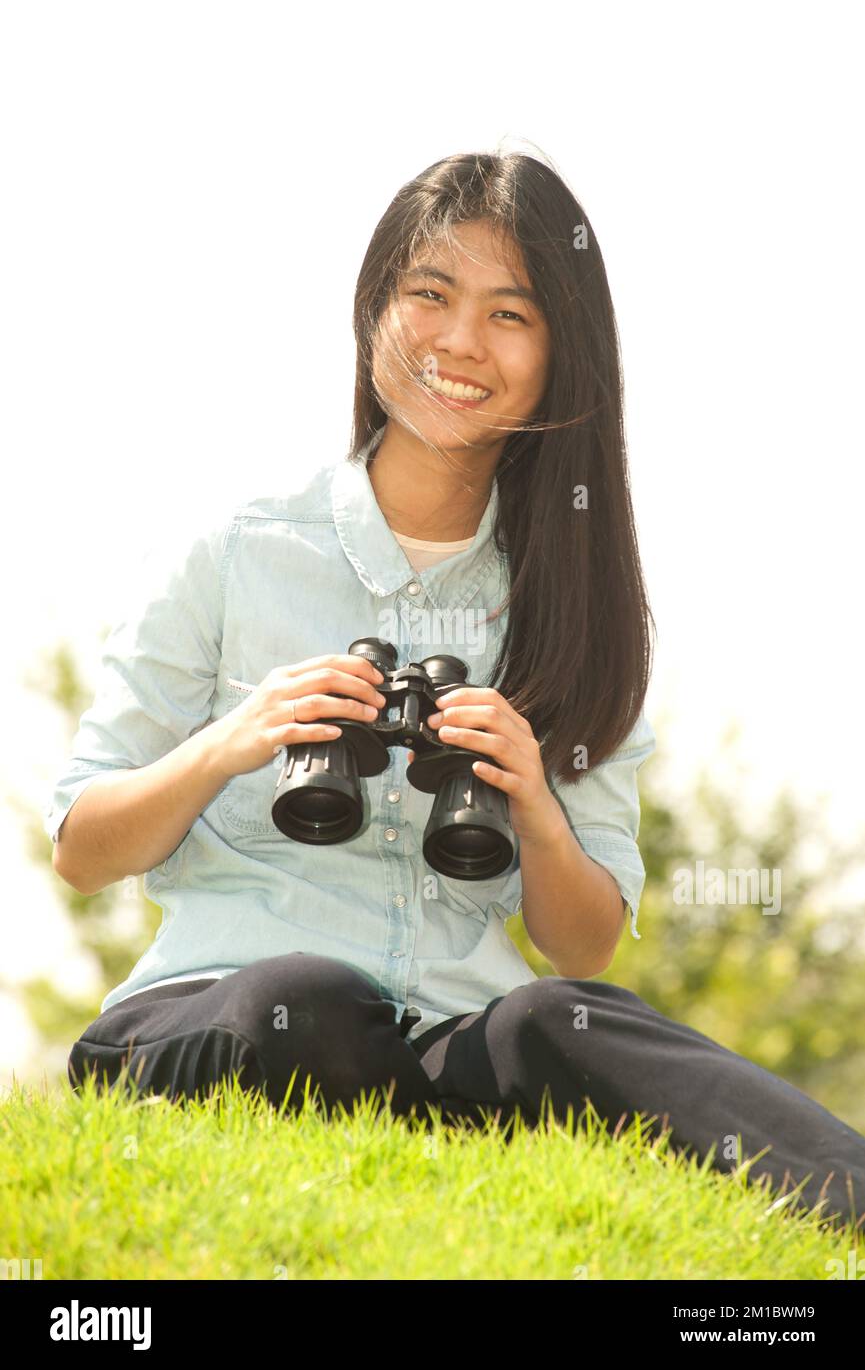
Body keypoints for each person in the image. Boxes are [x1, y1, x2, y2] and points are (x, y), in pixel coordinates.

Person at [46, 151, 865, 1231]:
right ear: (374, 309)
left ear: (560, 354)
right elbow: (82, 844)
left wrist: (530, 799)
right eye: (429, 294)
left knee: (562, 1017)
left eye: (509, 313)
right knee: (316, 998)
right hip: (221, 1006)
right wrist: (234, 740)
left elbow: (583, 940)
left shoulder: (577, 608)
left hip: (442, 1045)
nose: (460, 343)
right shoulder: (233, 552)